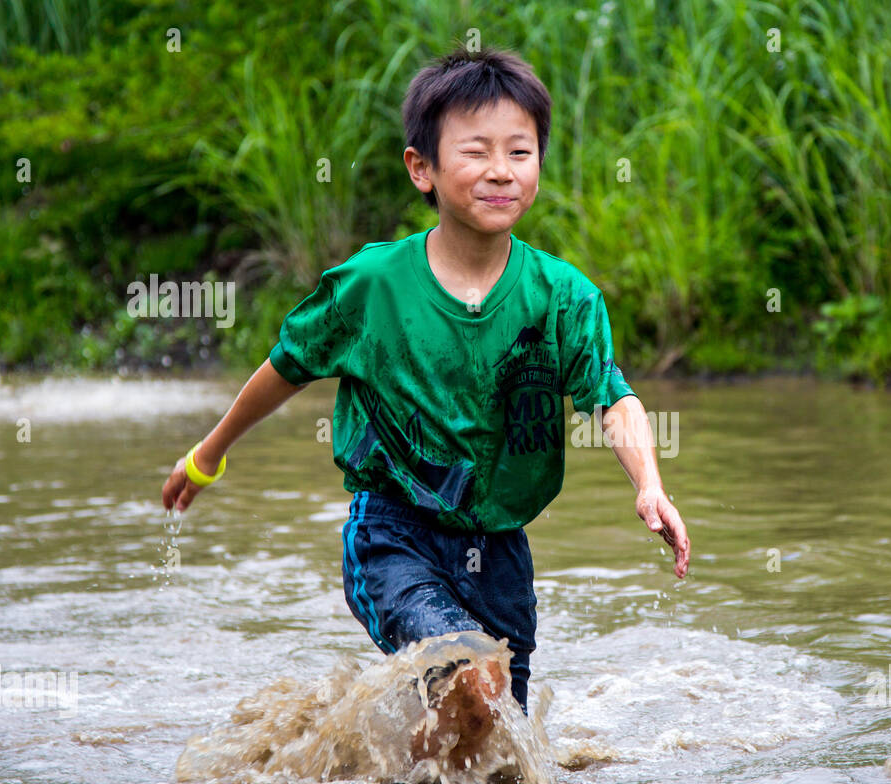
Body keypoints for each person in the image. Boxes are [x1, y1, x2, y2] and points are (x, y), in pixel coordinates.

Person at [160, 46, 690, 736]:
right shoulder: (372, 286)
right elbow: (284, 369)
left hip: (501, 549)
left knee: (503, 746)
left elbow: (612, 399)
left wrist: (648, 483)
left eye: (520, 152)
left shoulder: (563, 298)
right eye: (476, 152)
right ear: (423, 169)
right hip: (393, 535)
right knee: (473, 675)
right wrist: (209, 454)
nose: (501, 171)